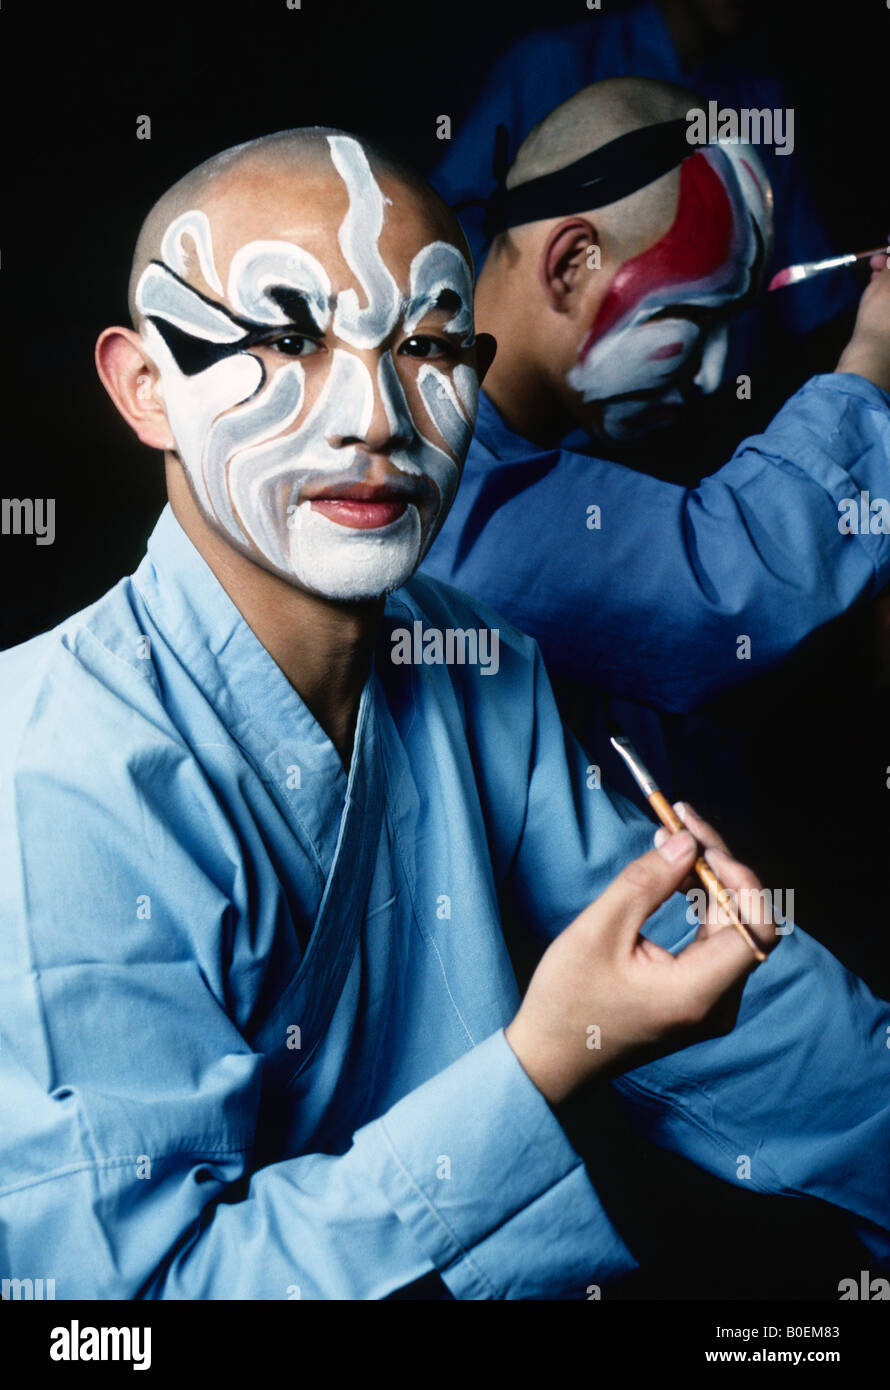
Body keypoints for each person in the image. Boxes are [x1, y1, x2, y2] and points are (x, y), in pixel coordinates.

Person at [0, 127, 887, 1301]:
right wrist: (542, 1058)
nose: (374, 415)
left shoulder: (470, 659)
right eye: (285, 339)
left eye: (422, 343)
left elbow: (725, 1001)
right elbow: (121, 1309)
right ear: (144, 388)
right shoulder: (50, 769)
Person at [420, 79, 890, 985]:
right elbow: (726, 589)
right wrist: (871, 365)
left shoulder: (516, 451)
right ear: (570, 264)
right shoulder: (440, 481)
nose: (715, 376)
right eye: (691, 321)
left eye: (732, 328)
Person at [433, 0, 857, 391]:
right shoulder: (553, 62)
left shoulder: (763, 101)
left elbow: (809, 292)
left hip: (709, 441)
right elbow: (443, 233)